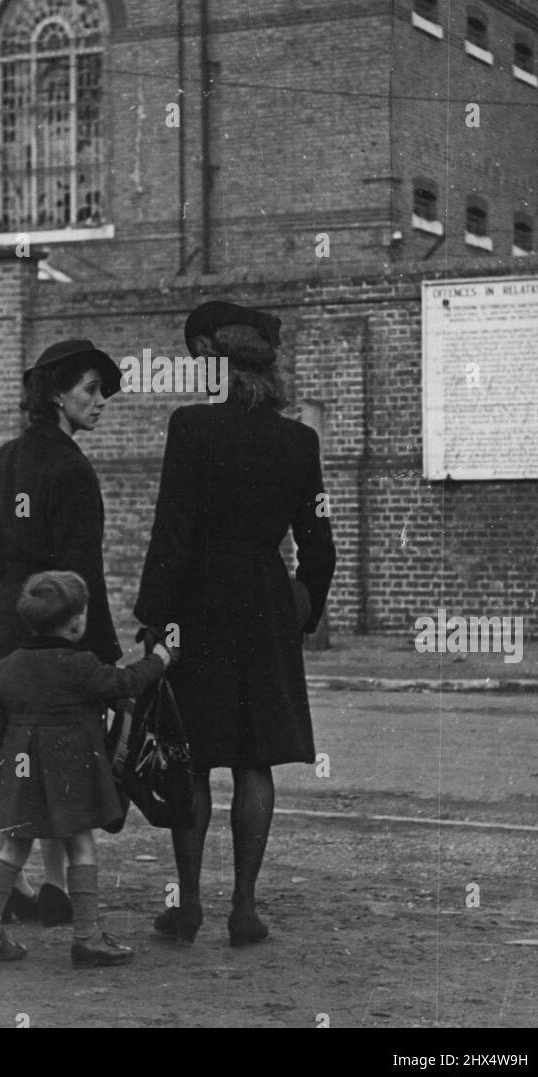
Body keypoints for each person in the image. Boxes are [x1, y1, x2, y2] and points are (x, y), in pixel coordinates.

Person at [135, 301, 336, 946]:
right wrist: (304, 602)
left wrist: (155, 619)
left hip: (197, 603)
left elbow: (172, 532)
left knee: (190, 759)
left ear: (214, 365)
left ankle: (189, 904)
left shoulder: (190, 429)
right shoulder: (299, 441)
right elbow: (319, 538)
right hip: (267, 602)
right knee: (254, 759)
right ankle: (245, 908)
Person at [0, 339, 125, 925]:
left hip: (7, 617)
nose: (101, 403)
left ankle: (26, 888)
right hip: (57, 621)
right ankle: (56, 888)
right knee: (65, 754)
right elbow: (83, 572)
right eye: (90, 390)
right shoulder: (73, 469)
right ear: (56, 394)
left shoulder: (5, 458)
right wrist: (103, 650)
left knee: (18, 755)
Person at [0, 570, 173, 965]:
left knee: (12, 848)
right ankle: (87, 938)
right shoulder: (80, 666)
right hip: (69, 772)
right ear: (77, 620)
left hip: (20, 771)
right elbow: (127, 683)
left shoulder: (7, 667)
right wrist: (159, 659)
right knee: (80, 845)